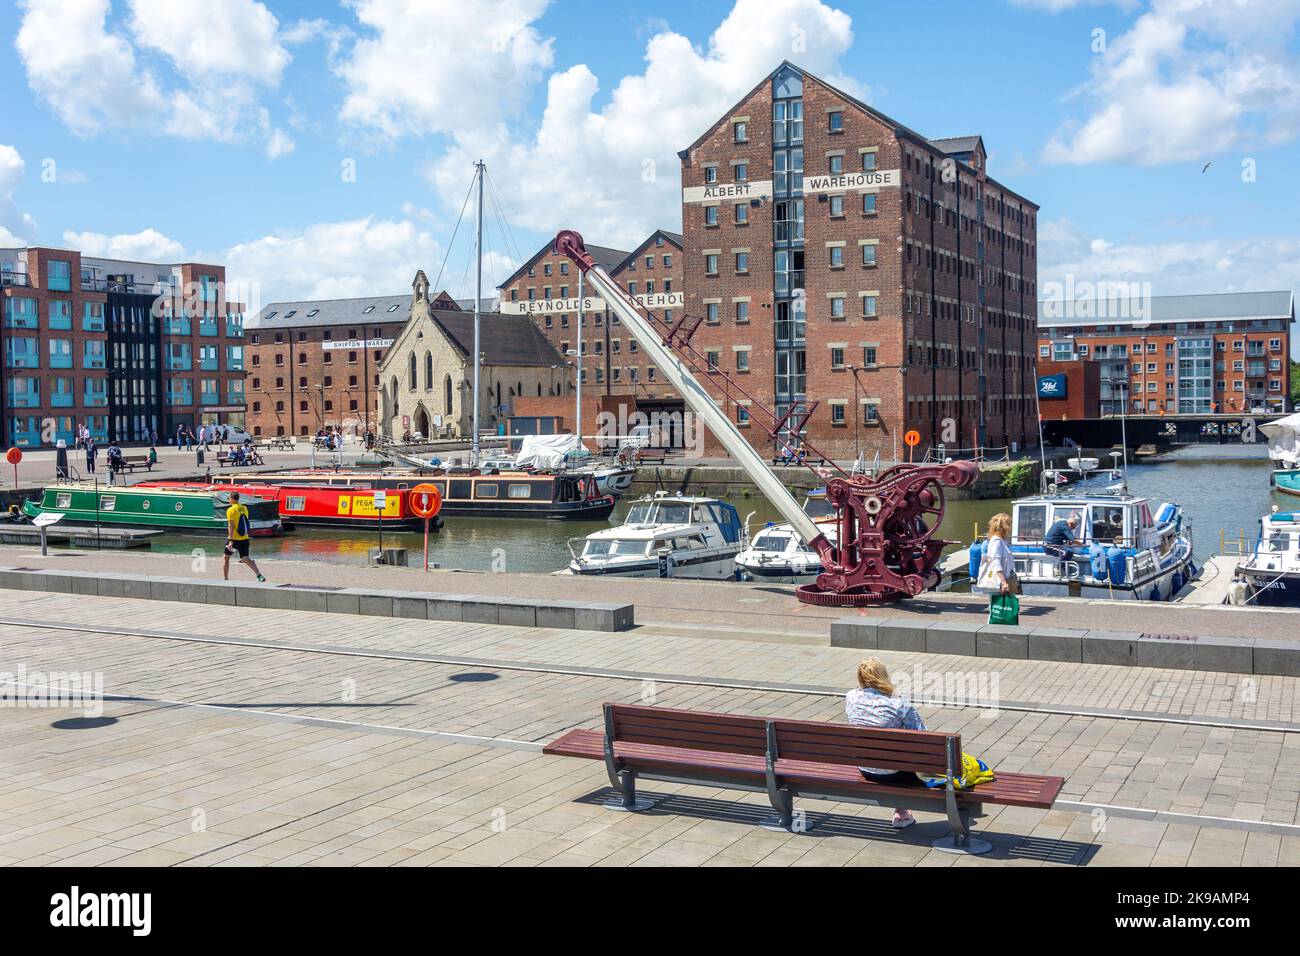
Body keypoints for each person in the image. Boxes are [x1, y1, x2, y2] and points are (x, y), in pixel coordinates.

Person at [845, 657, 926, 829]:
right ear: (884, 676)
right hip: (896, 773)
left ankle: (902, 811)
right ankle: (901, 812)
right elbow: (922, 736)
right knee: (907, 756)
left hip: (865, 768)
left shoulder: (851, 697)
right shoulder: (898, 702)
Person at [223, 491, 265, 582]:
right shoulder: (244, 508)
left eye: (229, 499)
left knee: (226, 558)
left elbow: (231, 526)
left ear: (232, 499)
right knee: (246, 558)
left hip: (234, 539)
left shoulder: (230, 510)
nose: (228, 500)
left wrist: (230, 540)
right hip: (245, 538)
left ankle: (225, 579)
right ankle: (259, 575)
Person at [983, 512, 1020, 596]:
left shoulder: (1003, 540)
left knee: (1007, 606)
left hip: (1007, 577)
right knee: (999, 605)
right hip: (1000, 581)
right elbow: (995, 562)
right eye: (1009, 524)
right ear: (1004, 527)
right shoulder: (997, 541)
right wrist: (1004, 582)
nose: (1010, 527)